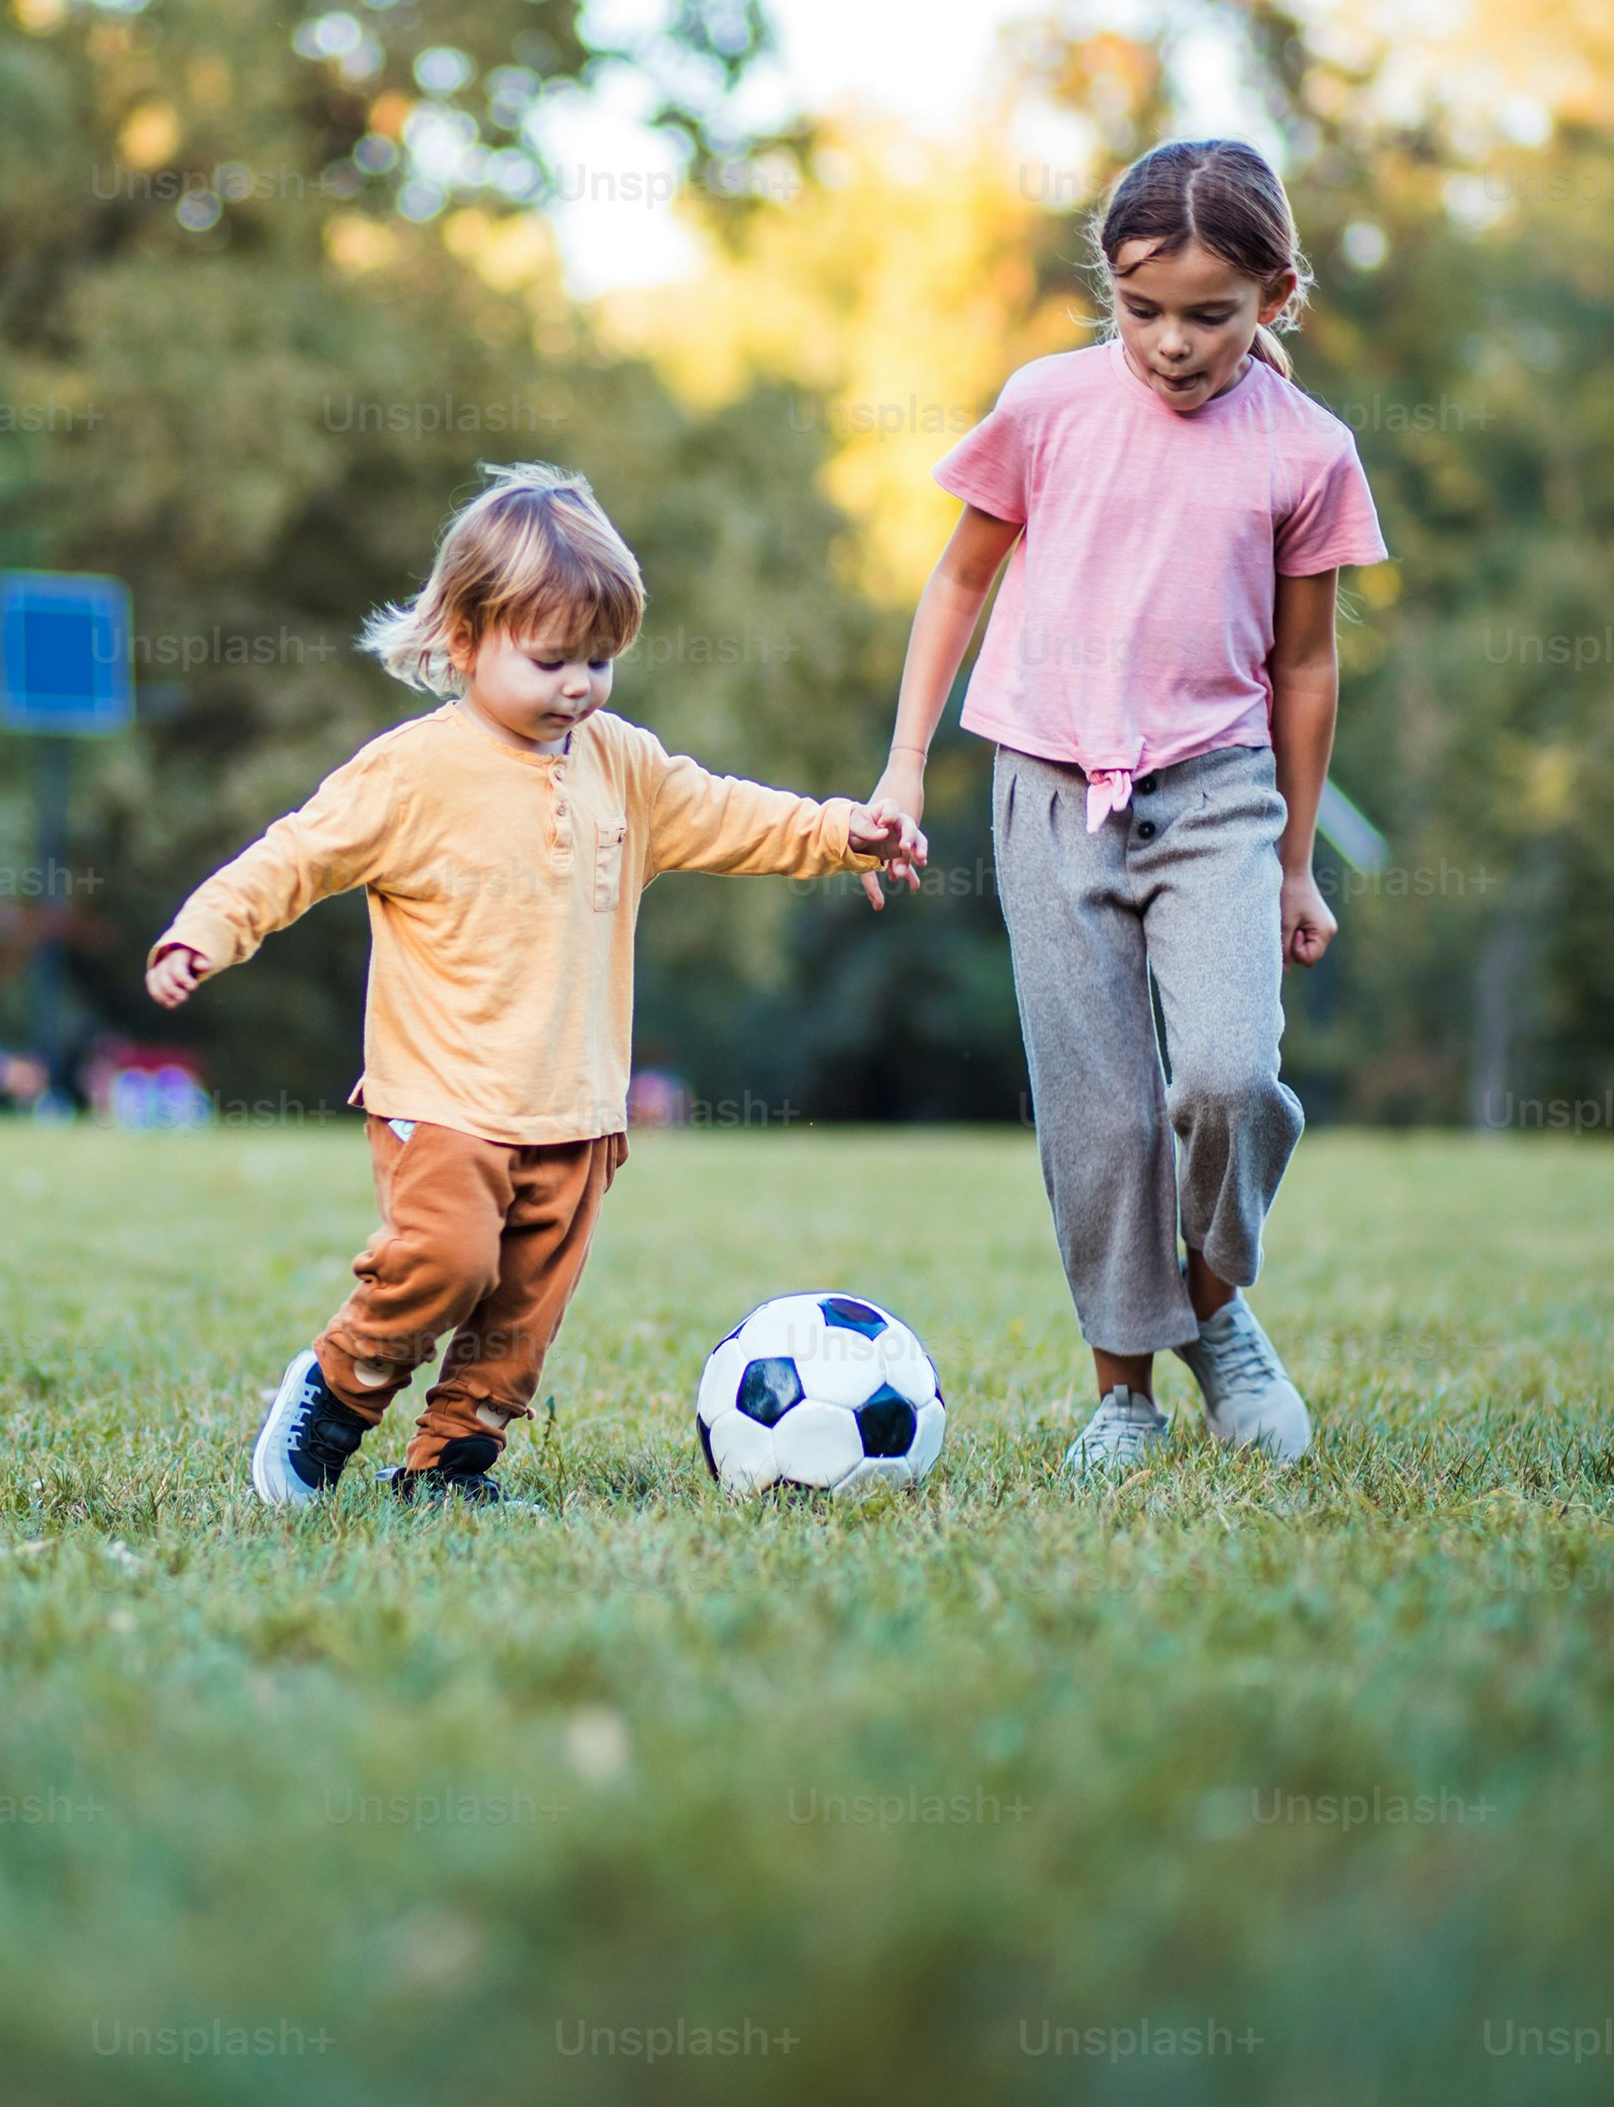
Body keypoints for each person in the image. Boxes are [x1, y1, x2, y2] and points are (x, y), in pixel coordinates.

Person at [153, 464, 909, 1508]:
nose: (577, 685)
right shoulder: (410, 772)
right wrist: (206, 931)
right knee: (446, 1262)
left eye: (599, 660)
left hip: (576, 1112)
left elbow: (733, 813)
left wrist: (839, 834)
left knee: (518, 1318)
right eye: (550, 657)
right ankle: (337, 1389)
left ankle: (448, 1466)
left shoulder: (623, 765)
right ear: (464, 639)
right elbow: (292, 858)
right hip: (444, 1100)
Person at [868, 139, 1386, 1479]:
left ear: (1274, 295)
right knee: (1096, 1112)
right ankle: (1122, 1390)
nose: (1170, 343)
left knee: (1225, 1073)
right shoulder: (1044, 405)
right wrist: (905, 762)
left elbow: (1309, 660)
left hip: (1217, 791)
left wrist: (1294, 859)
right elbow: (957, 582)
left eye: (1209, 314)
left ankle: (1215, 1305)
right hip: (1045, 783)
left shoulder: (1308, 450)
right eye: (1142, 308)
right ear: (1107, 286)